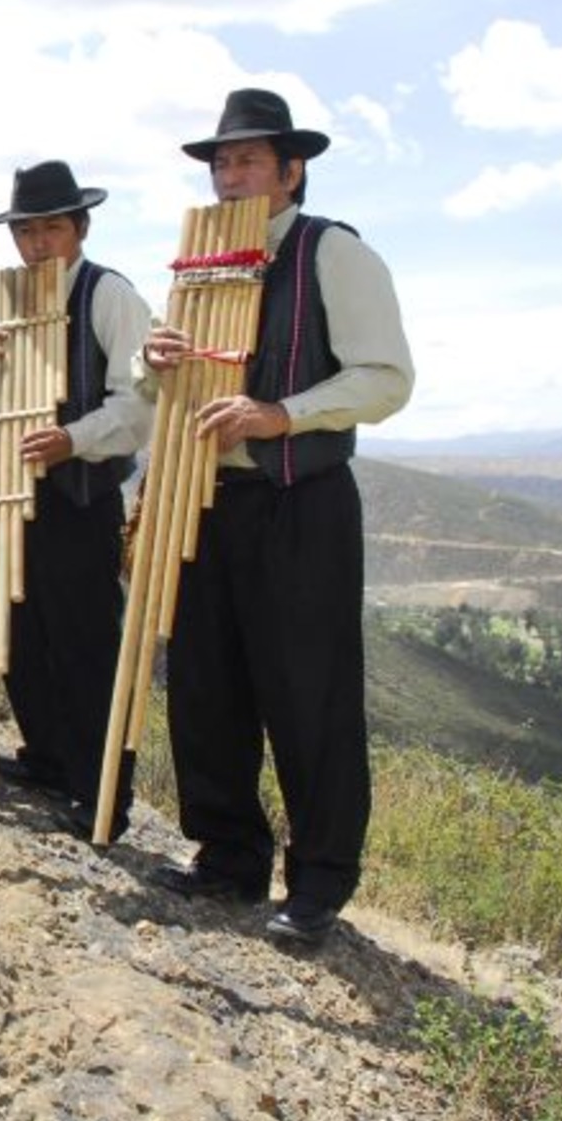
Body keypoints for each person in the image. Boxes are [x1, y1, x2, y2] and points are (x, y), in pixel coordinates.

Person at [143, 88, 414, 946]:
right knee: (204, 681)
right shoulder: (200, 263)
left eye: (249, 160)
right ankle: (228, 854)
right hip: (206, 496)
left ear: (292, 171)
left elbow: (386, 377)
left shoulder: (334, 252)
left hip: (299, 500)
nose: (230, 177)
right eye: (222, 162)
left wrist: (280, 414)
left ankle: (321, 881)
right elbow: (168, 392)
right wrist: (157, 364)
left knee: (309, 692)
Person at [0, 161, 154, 837]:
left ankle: (99, 793)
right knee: (21, 629)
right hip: (15, 495)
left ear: (80, 228)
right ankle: (46, 756)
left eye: (51, 229)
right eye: (26, 231)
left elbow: (140, 407)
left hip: (79, 496)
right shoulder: (9, 301)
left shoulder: (110, 296)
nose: (37, 244)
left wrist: (73, 439)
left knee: (84, 645)